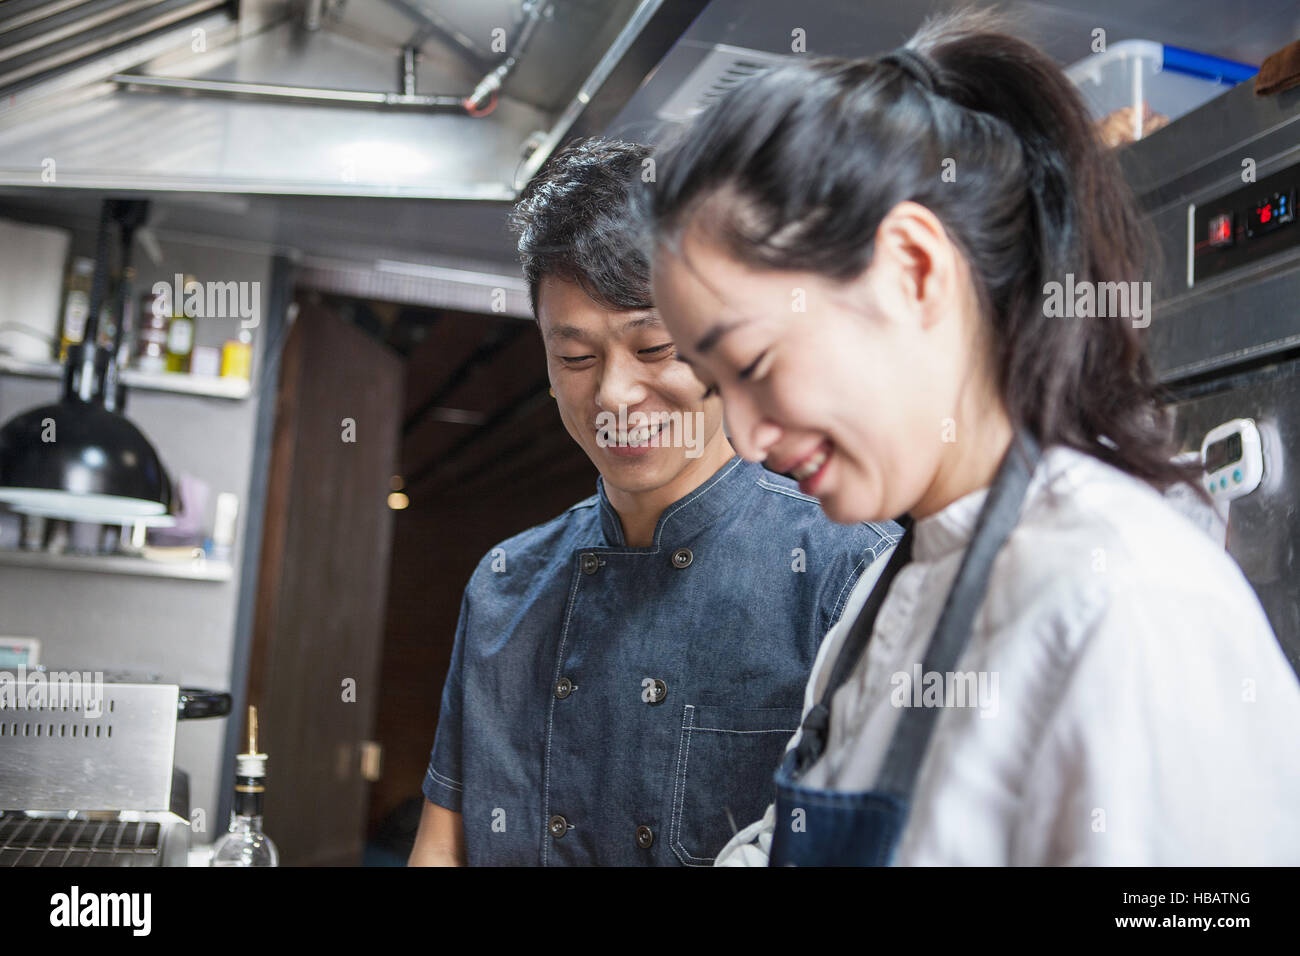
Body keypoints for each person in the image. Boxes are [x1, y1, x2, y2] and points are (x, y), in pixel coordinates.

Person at [647, 10, 1300, 865]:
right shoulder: (887, 590)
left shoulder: (1126, 602)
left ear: (915, 269)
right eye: (717, 387)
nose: (744, 434)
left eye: (756, 362)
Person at [407, 138, 899, 866]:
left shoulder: (845, 572)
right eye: (575, 357)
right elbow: (439, 850)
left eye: (655, 347)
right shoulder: (504, 586)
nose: (612, 394)